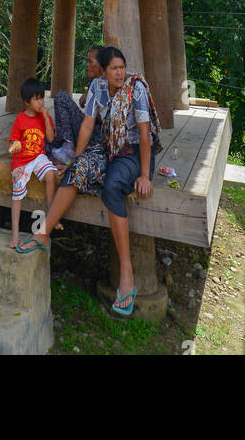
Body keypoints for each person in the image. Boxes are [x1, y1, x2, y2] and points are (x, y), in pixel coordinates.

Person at [16, 46, 163, 319]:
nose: (120, 73)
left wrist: (145, 174)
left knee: (113, 187)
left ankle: (127, 274)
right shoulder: (97, 86)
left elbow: (145, 136)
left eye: (122, 67)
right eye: (114, 69)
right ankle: (44, 232)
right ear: (104, 71)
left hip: (132, 152)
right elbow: (86, 125)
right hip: (107, 147)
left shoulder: (136, 88)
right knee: (78, 170)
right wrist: (77, 158)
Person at [8, 77, 58, 248]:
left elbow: (50, 138)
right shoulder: (20, 120)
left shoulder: (44, 117)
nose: (40, 102)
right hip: (22, 160)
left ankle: (51, 214)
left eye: (42, 98)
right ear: (26, 102)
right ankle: (14, 235)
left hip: (38, 156)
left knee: (51, 174)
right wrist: (15, 145)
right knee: (18, 190)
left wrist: (46, 118)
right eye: (36, 99)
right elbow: (14, 141)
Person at [51, 44, 104, 162]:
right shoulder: (94, 83)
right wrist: (87, 97)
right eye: (87, 61)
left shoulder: (107, 84)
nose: (87, 65)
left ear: (101, 65)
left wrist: (92, 101)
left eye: (90, 61)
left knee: (61, 97)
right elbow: (83, 104)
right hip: (87, 131)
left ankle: (69, 148)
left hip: (96, 137)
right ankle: (67, 144)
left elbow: (100, 119)